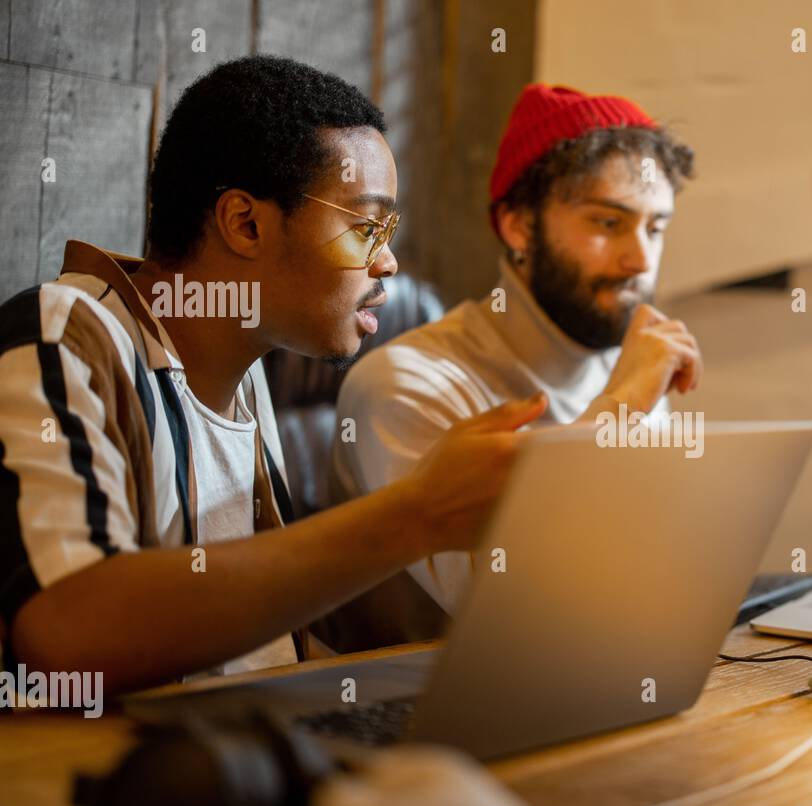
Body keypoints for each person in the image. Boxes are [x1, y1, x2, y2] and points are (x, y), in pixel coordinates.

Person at [0, 55, 543, 694]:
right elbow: (68, 634)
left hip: (245, 746)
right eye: (366, 227)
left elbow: (262, 656)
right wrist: (415, 515)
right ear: (245, 223)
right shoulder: (67, 336)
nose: (389, 262)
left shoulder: (247, 375)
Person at [329, 84, 701, 639]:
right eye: (607, 223)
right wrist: (621, 409)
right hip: (419, 715)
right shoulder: (404, 386)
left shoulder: (631, 380)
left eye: (656, 228)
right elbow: (513, 610)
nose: (640, 261)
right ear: (518, 225)